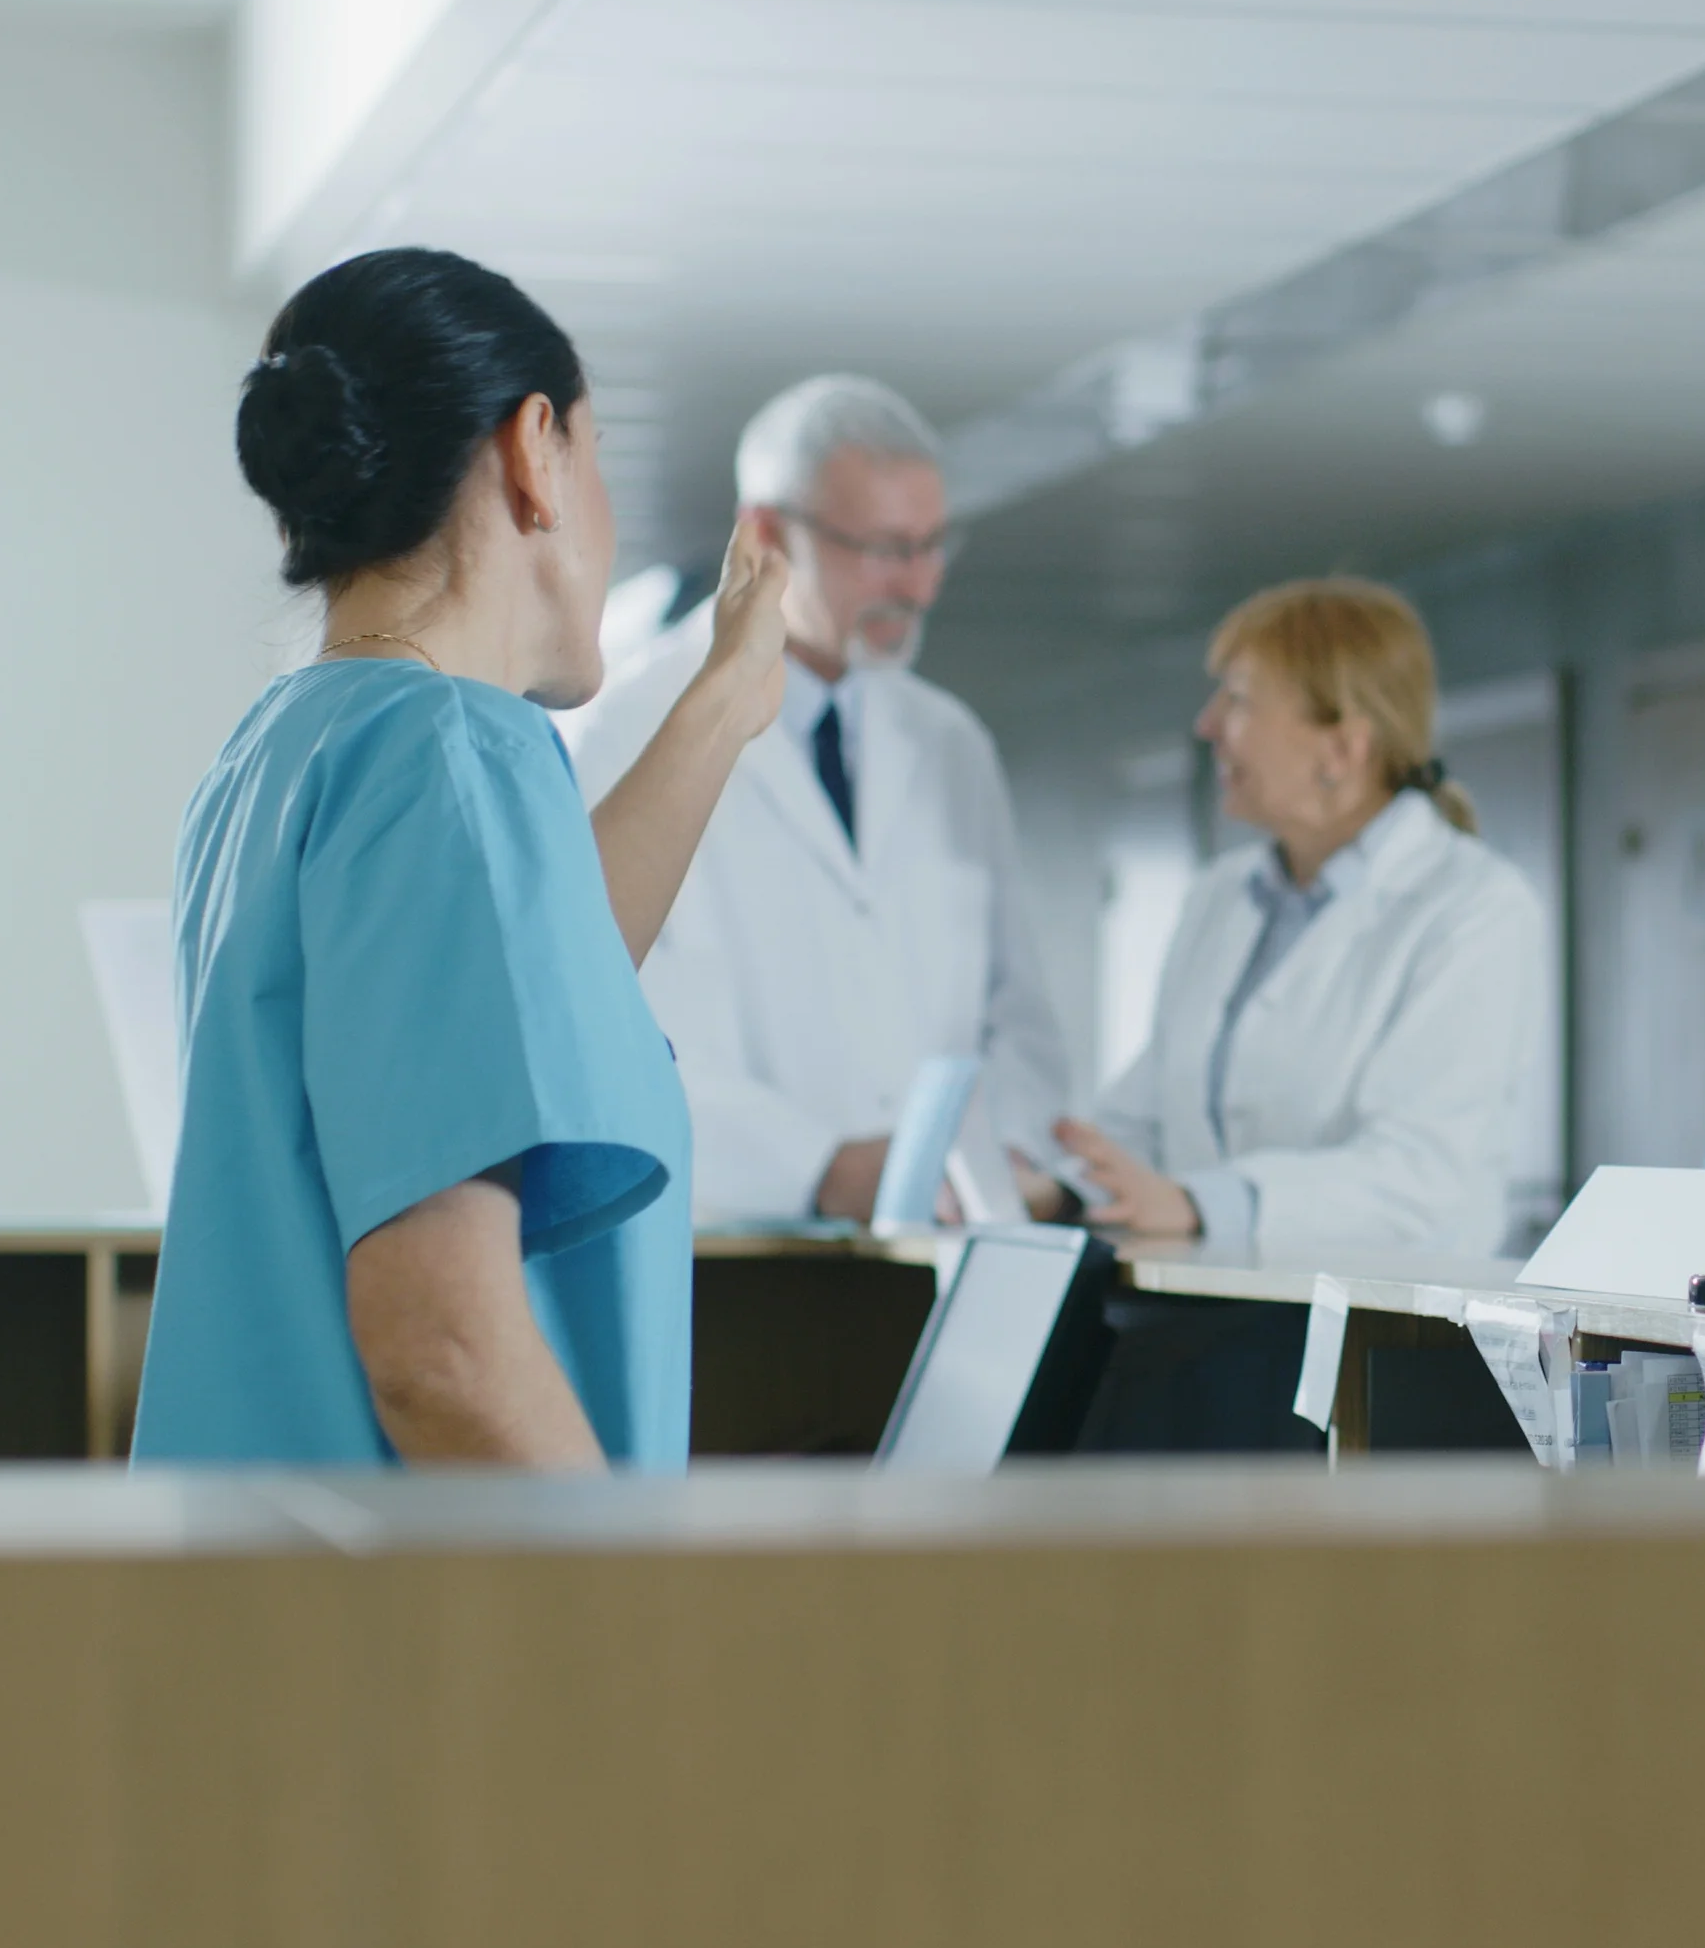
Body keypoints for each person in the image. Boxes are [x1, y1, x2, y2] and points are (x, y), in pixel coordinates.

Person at [136, 248, 787, 1467]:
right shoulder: (449, 753)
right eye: (593, 460)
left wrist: (722, 703)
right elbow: (443, 1350)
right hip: (424, 1626)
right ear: (535, 450)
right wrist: (659, 1642)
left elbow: (537, 986)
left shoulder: (294, 746)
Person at [561, 375, 1073, 1224]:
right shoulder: (624, 733)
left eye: (934, 544)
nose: (919, 585)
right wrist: (822, 1167)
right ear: (765, 534)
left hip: (944, 1238)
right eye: (882, 548)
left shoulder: (951, 744)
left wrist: (991, 1162)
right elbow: (608, 1030)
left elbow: (1019, 1023)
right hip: (734, 1249)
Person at [1056, 577, 1549, 1259]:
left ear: (1340, 749)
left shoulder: (1474, 908)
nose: (1206, 727)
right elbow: (1143, 1122)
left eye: (1238, 700)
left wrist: (1201, 1204)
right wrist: (1058, 1185)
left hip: (1382, 1330)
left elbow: (1416, 1173)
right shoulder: (1219, 898)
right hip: (1209, 1309)